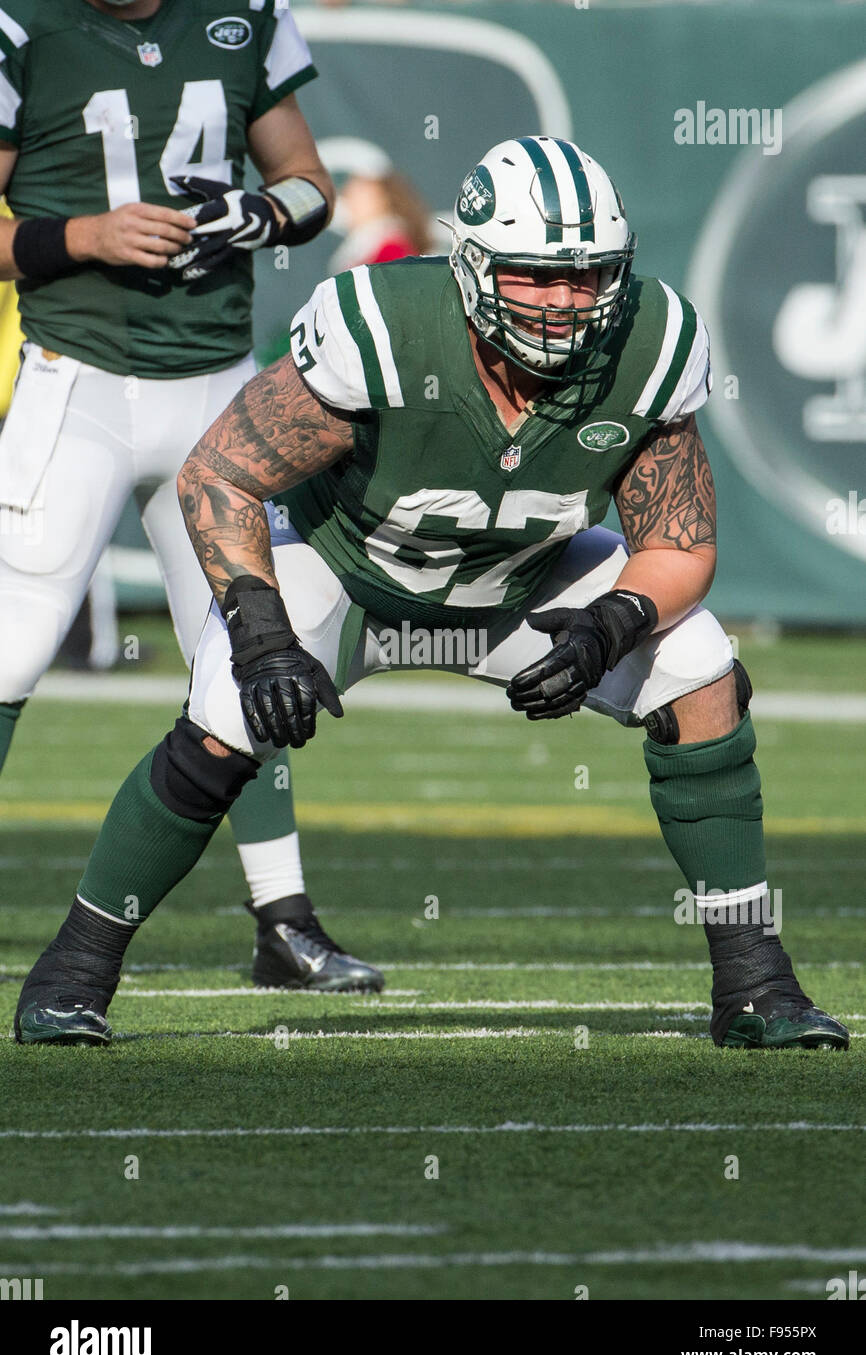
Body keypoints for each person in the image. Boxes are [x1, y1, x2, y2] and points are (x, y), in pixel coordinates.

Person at [14, 135, 847, 1051]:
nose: (567, 302)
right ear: (475, 264)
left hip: (515, 586)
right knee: (224, 714)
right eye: (536, 276)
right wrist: (262, 636)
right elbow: (219, 477)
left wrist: (613, 623)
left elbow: (680, 543)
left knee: (701, 668)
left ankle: (755, 983)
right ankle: (74, 972)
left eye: (589, 276)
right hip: (344, 568)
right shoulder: (387, 323)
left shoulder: (652, 341)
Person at [0, 0, 383, 996]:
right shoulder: (21, 24)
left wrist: (254, 213)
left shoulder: (245, 14)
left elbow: (308, 185)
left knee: (256, 656)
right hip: (77, 378)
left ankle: (283, 922)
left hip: (220, 390)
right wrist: (86, 233)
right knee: (12, 648)